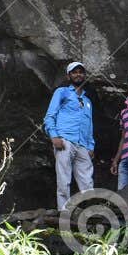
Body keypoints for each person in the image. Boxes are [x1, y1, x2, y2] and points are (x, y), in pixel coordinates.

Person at [44, 61, 95, 210]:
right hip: (65, 139)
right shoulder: (62, 92)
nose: (78, 74)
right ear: (68, 75)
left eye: (81, 72)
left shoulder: (87, 101)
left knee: (87, 179)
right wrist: (54, 137)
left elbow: (89, 125)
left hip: (83, 144)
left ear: (84, 75)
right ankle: (63, 211)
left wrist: (91, 145)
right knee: (64, 177)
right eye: (74, 72)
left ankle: (91, 210)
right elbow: (50, 116)